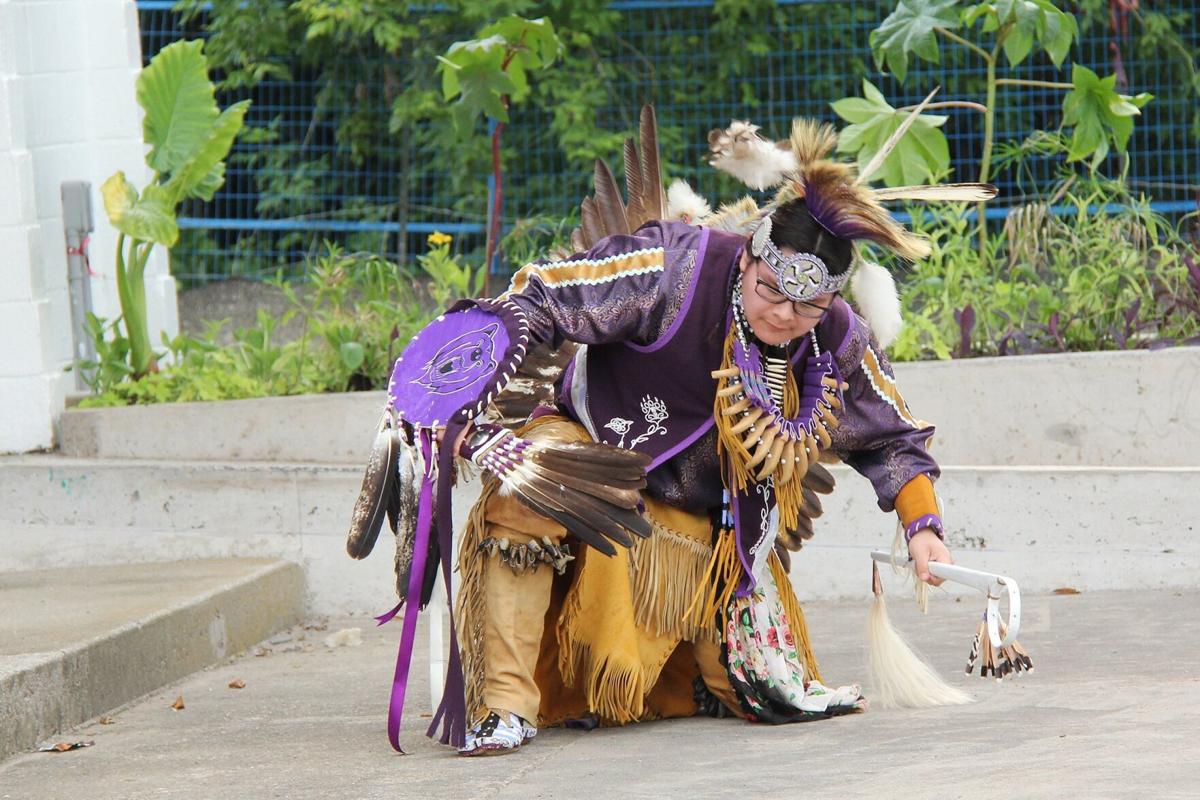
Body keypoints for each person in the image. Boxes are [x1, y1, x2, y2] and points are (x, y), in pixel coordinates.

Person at [444, 115, 980, 755]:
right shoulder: (672, 268)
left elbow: (893, 436)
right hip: (589, 459)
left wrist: (924, 528)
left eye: (806, 307)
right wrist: (458, 385)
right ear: (751, 254)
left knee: (754, 692)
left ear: (832, 300)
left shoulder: (836, 336)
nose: (784, 315)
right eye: (770, 292)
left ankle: (683, 670)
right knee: (526, 487)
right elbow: (543, 296)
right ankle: (505, 706)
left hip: (716, 529)